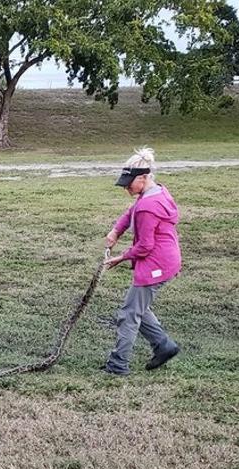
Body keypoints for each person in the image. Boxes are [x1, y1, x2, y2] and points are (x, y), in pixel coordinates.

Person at [101, 148, 181, 375]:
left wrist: (121, 257)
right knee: (138, 307)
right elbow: (131, 212)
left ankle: (117, 365)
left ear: (144, 178)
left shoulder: (148, 206)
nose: (126, 188)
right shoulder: (156, 192)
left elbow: (145, 246)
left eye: (129, 184)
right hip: (166, 259)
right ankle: (164, 346)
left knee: (129, 314)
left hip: (156, 264)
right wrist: (116, 231)